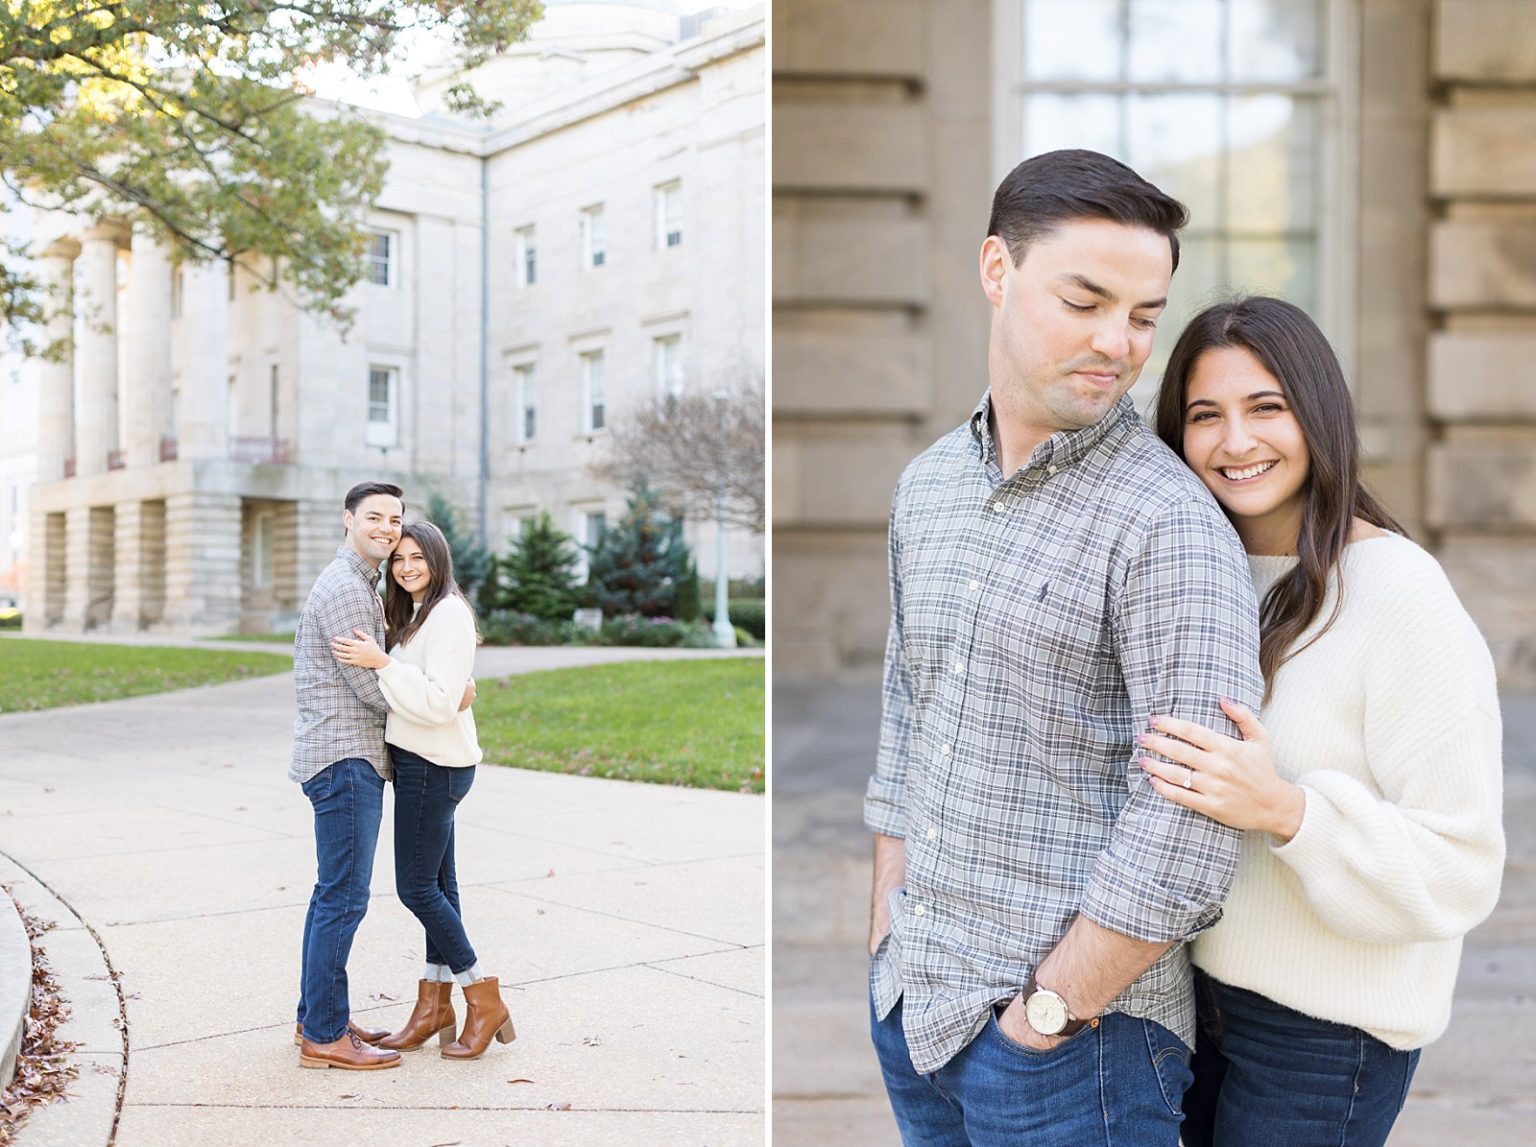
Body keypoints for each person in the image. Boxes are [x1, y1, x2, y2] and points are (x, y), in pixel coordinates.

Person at [864, 148, 1265, 1146]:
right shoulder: (927, 487)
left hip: (1076, 1050)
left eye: (1143, 314)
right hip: (918, 1010)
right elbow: (905, 722)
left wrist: (1046, 1014)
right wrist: (886, 944)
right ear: (997, 270)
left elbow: (1187, 825)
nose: (1117, 343)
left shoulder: (1167, 520)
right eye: (1084, 300)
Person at [1141, 295, 1505, 1147]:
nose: (1236, 442)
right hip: (1186, 1002)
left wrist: (1288, 809)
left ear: (1319, 414)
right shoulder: (1200, 572)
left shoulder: (1398, 592)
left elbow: (1463, 866)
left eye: (1266, 407)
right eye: (1206, 416)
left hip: (1325, 1037)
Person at [332, 520, 516, 1061]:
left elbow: (438, 702)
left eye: (419, 557)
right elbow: (443, 693)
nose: (408, 566)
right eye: (400, 559)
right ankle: (434, 1007)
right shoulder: (415, 614)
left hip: (435, 766)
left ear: (438, 561)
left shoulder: (449, 614)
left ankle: (484, 997)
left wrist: (383, 663)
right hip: (422, 763)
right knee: (441, 885)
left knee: (416, 888)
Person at [290, 481, 407, 1071]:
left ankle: (319, 1015)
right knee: (343, 897)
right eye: (374, 517)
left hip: (340, 757)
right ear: (348, 519)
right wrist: (432, 698)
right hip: (345, 760)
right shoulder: (347, 589)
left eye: (395, 519)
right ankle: (325, 1036)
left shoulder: (358, 581)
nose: (386, 528)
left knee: (330, 894)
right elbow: (368, 686)